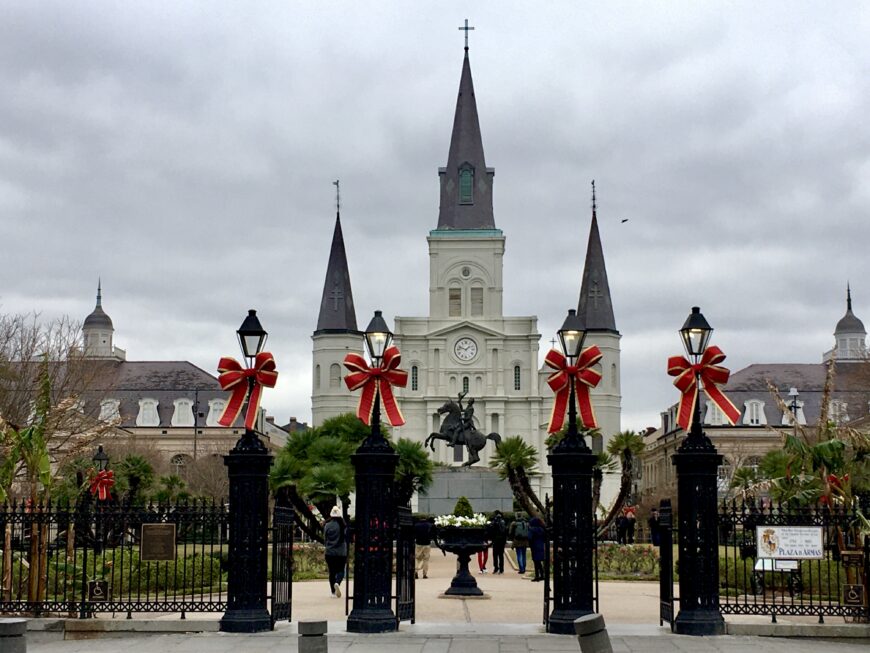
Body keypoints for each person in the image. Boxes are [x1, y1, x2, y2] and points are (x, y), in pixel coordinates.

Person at [323, 506, 347, 597]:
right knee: (341, 570)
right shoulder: (343, 526)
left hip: (330, 552)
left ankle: (333, 592)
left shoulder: (327, 525)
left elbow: (325, 539)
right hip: (341, 553)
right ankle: (337, 582)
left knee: (332, 572)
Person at [528, 516, 546, 582]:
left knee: (536, 561)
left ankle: (537, 576)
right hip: (540, 546)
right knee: (539, 561)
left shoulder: (532, 529)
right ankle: (542, 575)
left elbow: (529, 538)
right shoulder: (542, 529)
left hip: (534, 546)